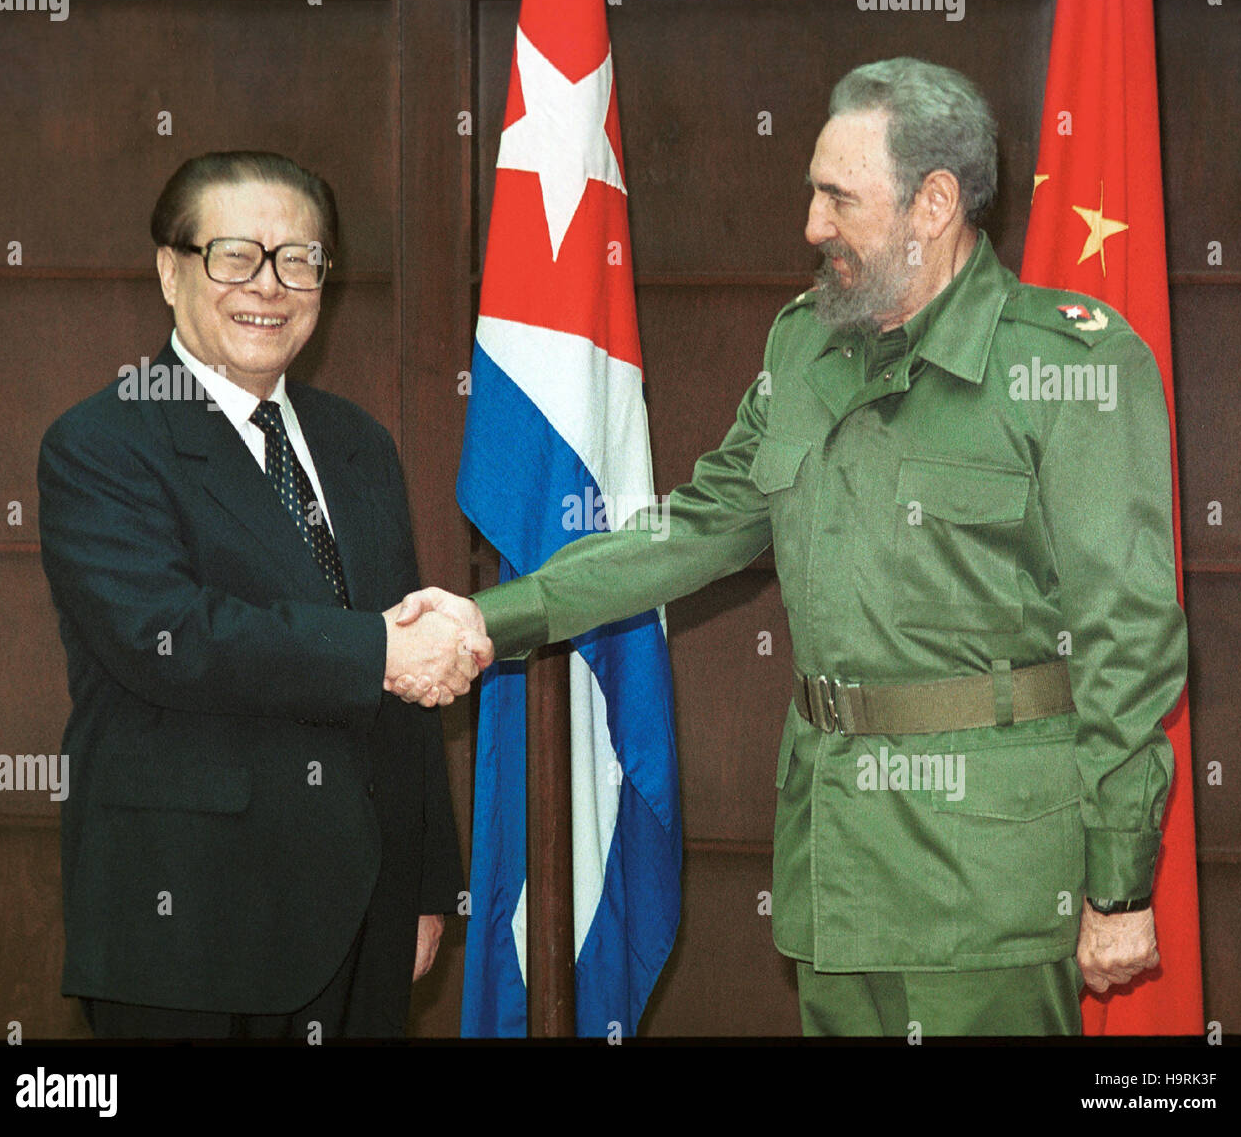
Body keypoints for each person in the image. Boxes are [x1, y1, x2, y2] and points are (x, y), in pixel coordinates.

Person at [396, 59, 1188, 1036]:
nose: (813, 225)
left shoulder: (1069, 364)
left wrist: (1117, 882)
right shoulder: (806, 345)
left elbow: (1130, 638)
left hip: (988, 876)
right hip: (834, 854)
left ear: (932, 203)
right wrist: (489, 617)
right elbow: (694, 527)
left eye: (838, 197)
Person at [37, 151, 491, 1039]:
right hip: (193, 924)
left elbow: (400, 669)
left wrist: (428, 887)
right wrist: (380, 654)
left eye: (300, 260)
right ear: (170, 272)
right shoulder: (101, 442)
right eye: (235, 256)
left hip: (368, 915)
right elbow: (170, 636)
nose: (271, 286)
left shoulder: (356, 442)